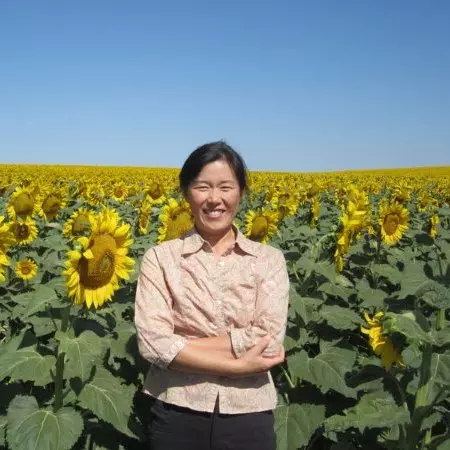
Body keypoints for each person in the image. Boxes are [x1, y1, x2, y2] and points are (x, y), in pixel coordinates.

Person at [134, 141, 290, 450]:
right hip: (175, 411)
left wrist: (181, 346)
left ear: (241, 193)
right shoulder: (160, 258)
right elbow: (152, 343)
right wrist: (238, 366)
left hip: (249, 412)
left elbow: (269, 341)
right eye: (202, 187)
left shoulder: (268, 260)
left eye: (225, 187)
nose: (214, 199)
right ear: (186, 193)